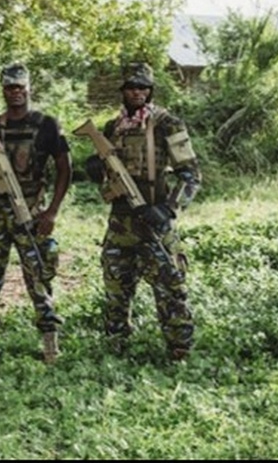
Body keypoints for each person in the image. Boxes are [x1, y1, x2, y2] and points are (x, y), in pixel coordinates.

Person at [85, 63, 200, 362]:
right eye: (132, 87)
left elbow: (191, 175)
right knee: (116, 289)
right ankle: (115, 350)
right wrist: (96, 170)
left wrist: (168, 209)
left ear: (151, 91)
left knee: (170, 287)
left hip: (154, 220)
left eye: (143, 87)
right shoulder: (112, 127)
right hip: (120, 222)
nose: (137, 92)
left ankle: (179, 352)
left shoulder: (167, 124)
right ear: (123, 90)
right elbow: (108, 173)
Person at [0, 63, 72, 365]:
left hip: (31, 212)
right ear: (3, 90)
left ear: (28, 88)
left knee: (39, 277)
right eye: (10, 87)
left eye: (20, 87)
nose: (16, 92)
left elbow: (65, 168)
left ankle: (51, 348)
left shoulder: (47, 125)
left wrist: (52, 212)